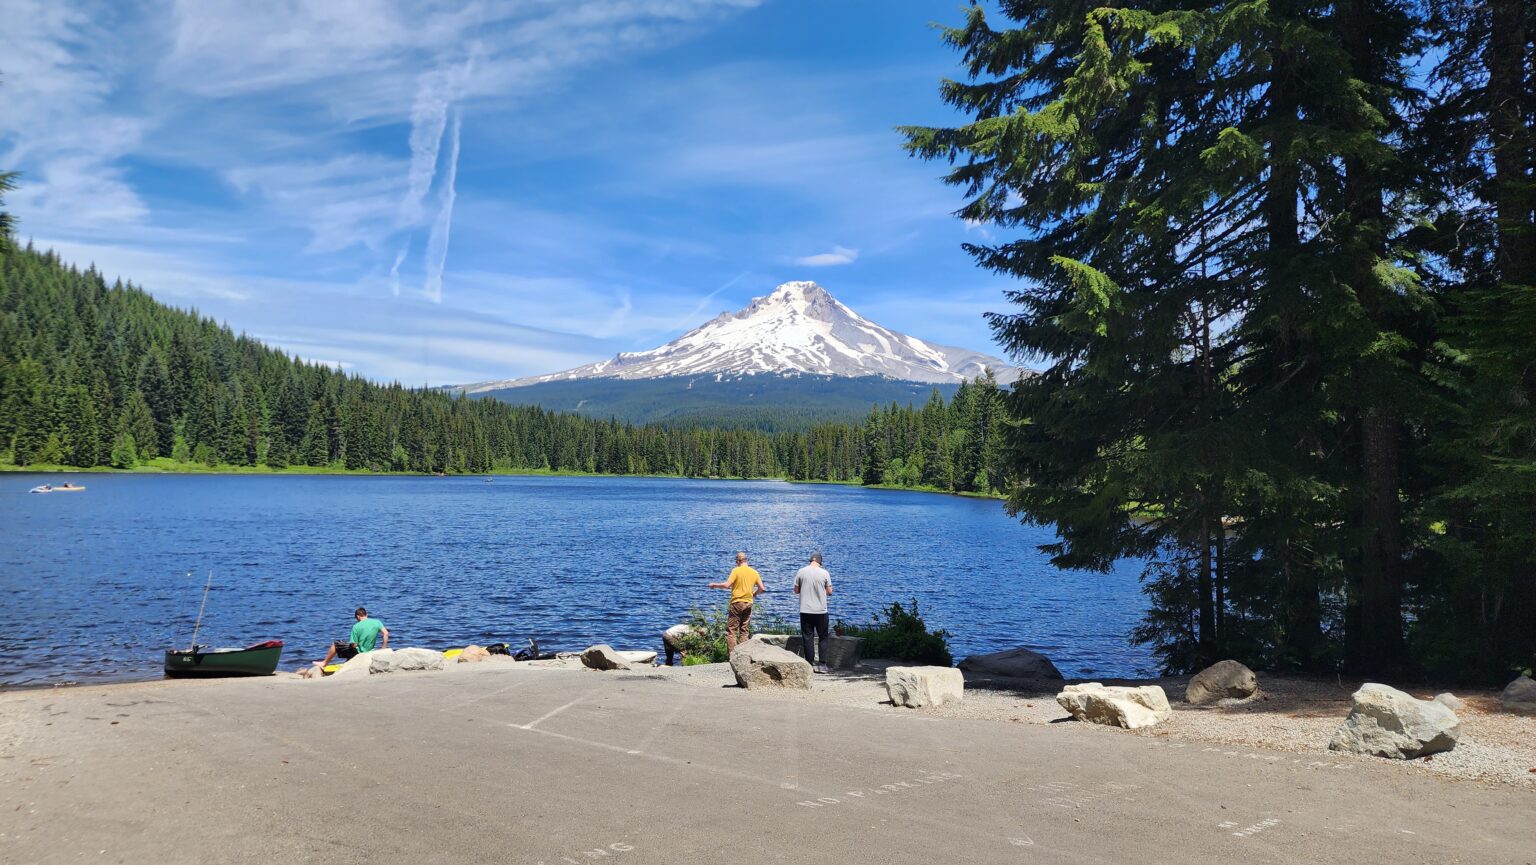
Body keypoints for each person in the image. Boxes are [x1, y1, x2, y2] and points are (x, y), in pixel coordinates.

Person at [708, 551, 764, 652]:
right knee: (744, 630)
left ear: (738, 561)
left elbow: (727, 585)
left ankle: (733, 656)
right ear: (746, 560)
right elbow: (761, 588)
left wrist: (714, 585)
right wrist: (754, 595)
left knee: (731, 631)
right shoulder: (754, 572)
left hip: (737, 603)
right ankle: (744, 655)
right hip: (748, 603)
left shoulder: (736, 570)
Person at [793, 551, 834, 673]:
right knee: (823, 637)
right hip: (821, 610)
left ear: (810, 560)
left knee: (808, 637)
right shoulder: (825, 573)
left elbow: (796, 590)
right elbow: (830, 592)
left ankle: (809, 664)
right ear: (820, 562)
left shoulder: (801, 571)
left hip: (805, 610)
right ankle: (822, 665)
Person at [317, 607, 389, 667]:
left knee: (336, 644)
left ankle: (324, 663)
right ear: (366, 614)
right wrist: (383, 648)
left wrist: (350, 645)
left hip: (359, 652)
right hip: (370, 650)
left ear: (358, 616)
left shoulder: (356, 626)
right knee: (349, 648)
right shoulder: (377, 622)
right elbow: (386, 633)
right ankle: (347, 662)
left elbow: (354, 644)